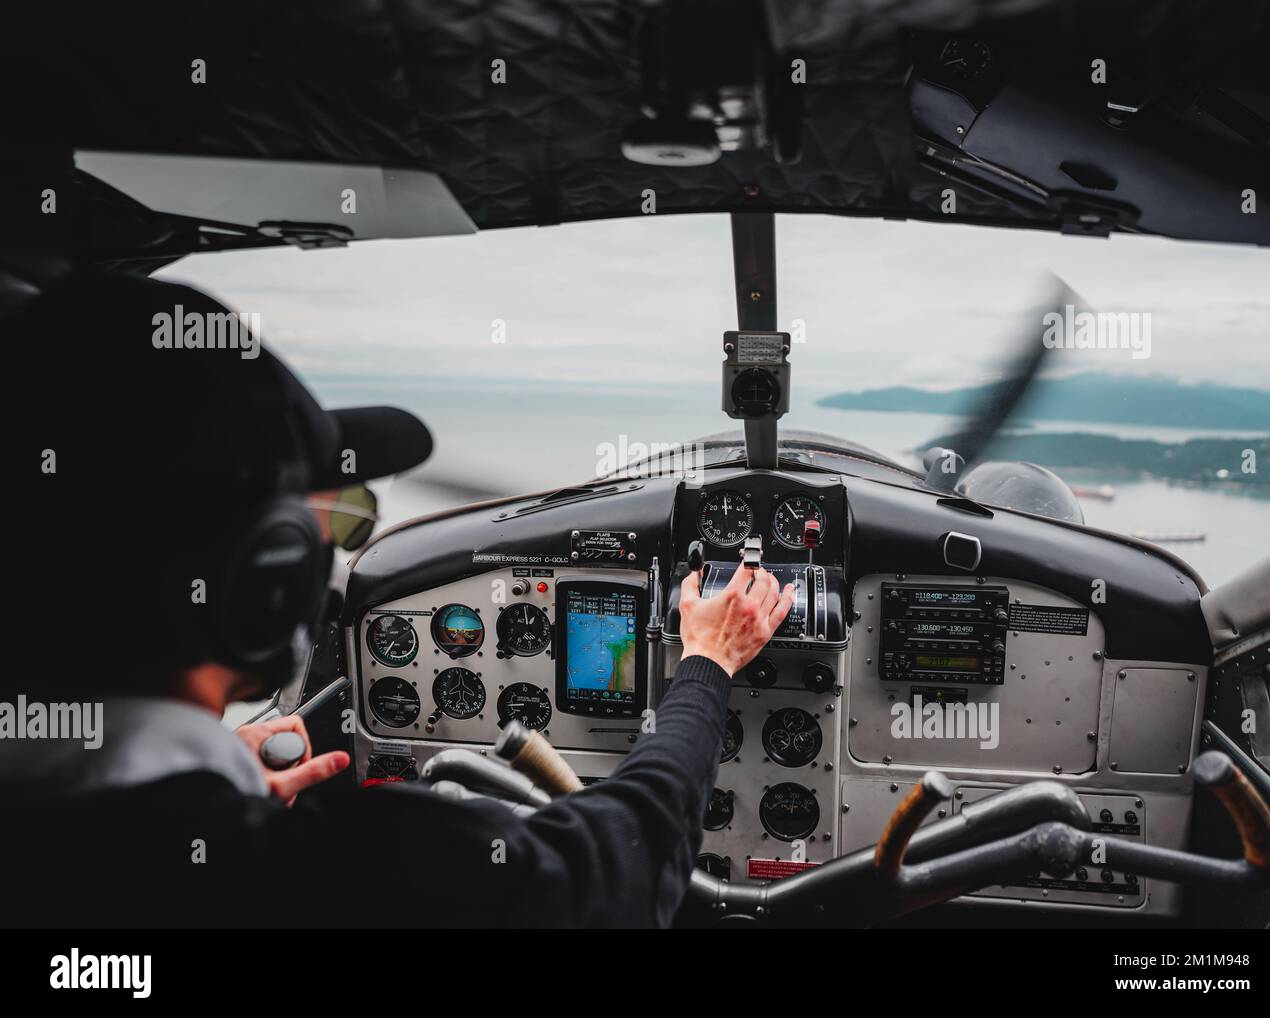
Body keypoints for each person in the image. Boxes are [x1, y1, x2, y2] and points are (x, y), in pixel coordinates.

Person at [0, 271, 793, 928]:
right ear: (264, 581)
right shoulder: (350, 878)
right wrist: (707, 663)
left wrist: (204, 798)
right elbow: (624, 864)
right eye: (323, 525)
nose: (333, 558)